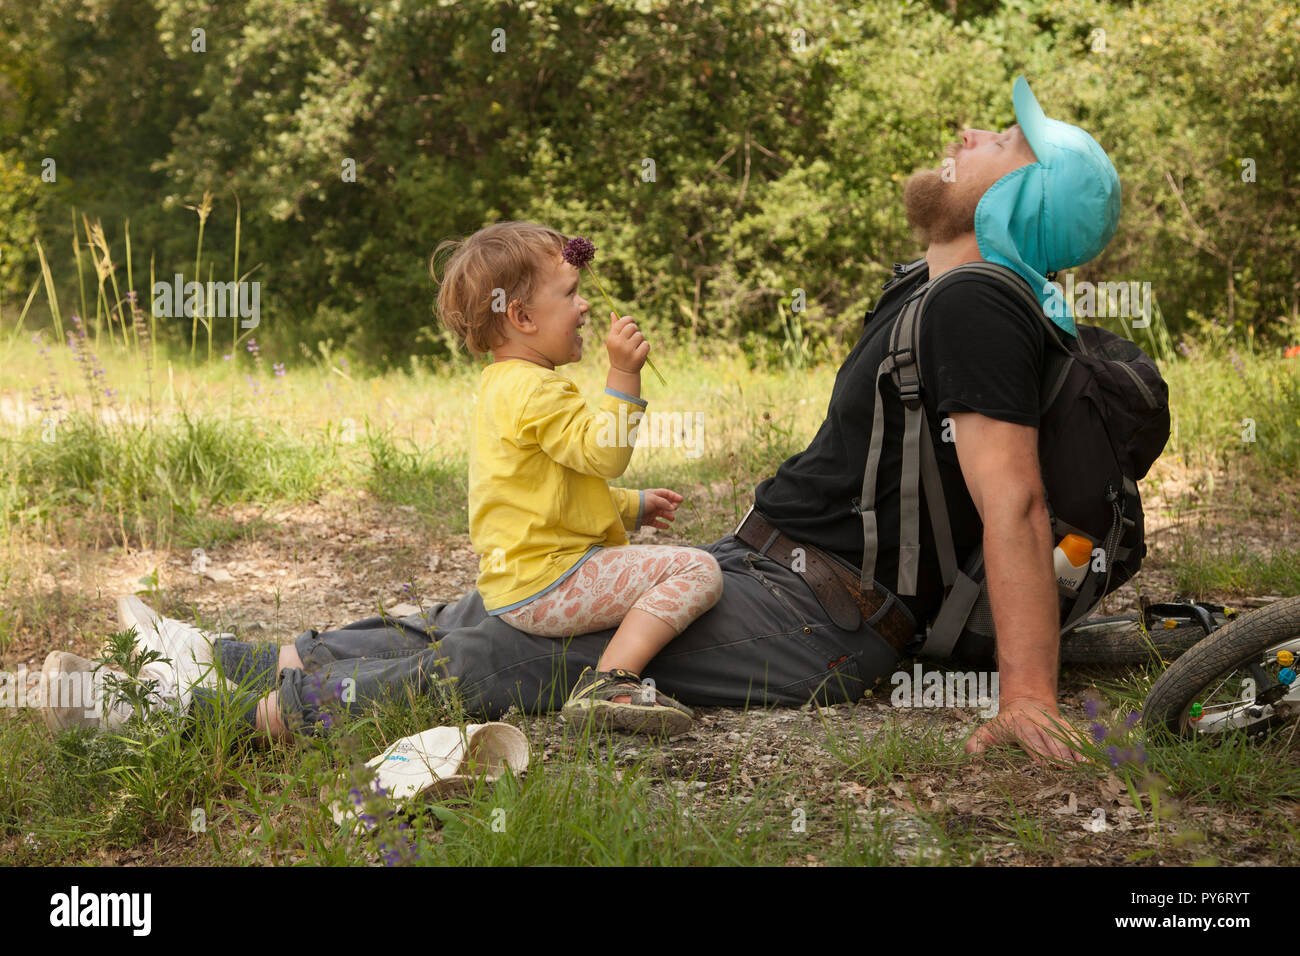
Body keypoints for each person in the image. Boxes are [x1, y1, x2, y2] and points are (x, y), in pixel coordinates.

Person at [43, 76, 1118, 763]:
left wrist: (1025, 691)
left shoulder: (979, 303)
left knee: (519, 655)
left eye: (1005, 141)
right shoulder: (926, 290)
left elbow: (1012, 500)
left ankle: (210, 721)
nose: (971, 127)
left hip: (821, 622)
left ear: (1015, 204)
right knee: (511, 603)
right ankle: (232, 656)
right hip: (772, 571)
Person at [432, 222, 722, 734]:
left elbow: (553, 491)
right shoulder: (540, 391)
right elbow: (604, 455)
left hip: (516, 583)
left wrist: (631, 506)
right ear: (521, 316)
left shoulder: (502, 385)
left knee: (683, 565)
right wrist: (623, 375)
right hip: (550, 583)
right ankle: (610, 680)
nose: (584, 304)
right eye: (570, 293)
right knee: (698, 570)